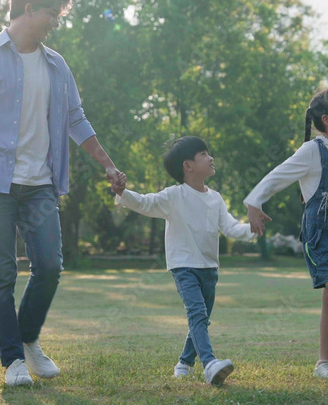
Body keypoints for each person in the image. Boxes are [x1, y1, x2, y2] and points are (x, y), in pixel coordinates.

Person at [0, 0, 124, 387]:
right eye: (52, 13)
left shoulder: (56, 64)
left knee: (49, 266)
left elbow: (75, 119)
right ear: (28, 8)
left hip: (40, 183)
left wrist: (108, 163)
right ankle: (12, 360)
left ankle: (28, 338)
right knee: (2, 273)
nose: (55, 22)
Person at [245, 88, 328, 382]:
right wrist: (254, 202)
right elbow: (278, 175)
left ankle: (324, 363)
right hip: (319, 237)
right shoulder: (312, 150)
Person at [111, 136, 260, 386]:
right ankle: (210, 363)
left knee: (200, 319)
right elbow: (145, 203)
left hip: (210, 269)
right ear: (187, 166)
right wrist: (122, 192)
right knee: (197, 314)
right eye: (203, 154)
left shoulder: (216, 198)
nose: (210, 157)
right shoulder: (173, 196)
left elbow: (231, 228)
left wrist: (253, 229)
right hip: (184, 267)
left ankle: (184, 363)